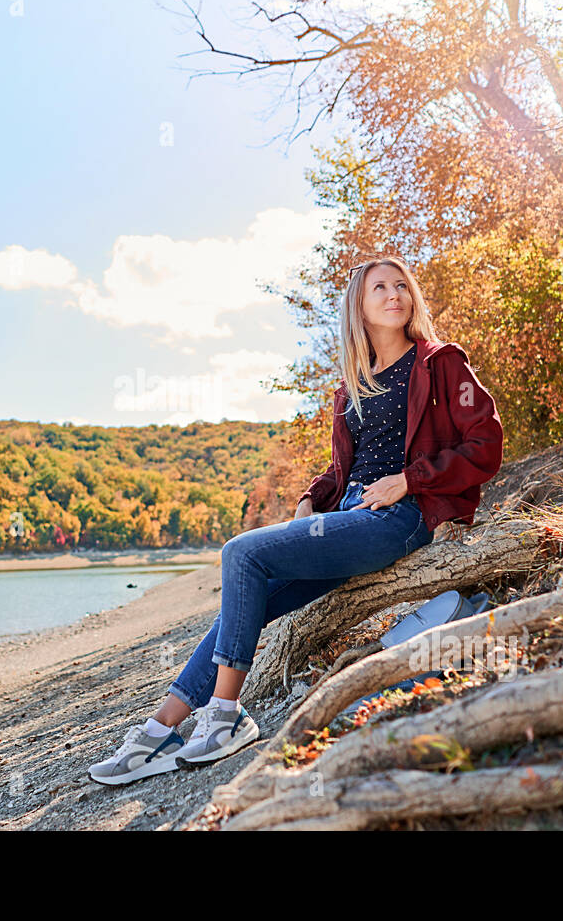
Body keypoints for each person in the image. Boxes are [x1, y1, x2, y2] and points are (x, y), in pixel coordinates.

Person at [87, 256, 504, 786]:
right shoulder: (350, 387)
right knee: (247, 596)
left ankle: (224, 717)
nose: (395, 294)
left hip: (400, 517)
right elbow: (342, 469)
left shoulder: (441, 364)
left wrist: (412, 480)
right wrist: (311, 499)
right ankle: (161, 728)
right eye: (380, 287)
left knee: (240, 552)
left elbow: (486, 444)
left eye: (402, 285)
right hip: (347, 518)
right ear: (359, 305)